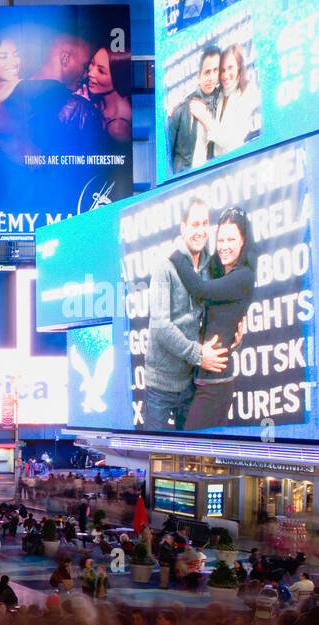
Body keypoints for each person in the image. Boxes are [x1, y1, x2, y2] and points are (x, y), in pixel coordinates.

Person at [146, 200, 238, 431]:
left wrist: (234, 335)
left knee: (190, 459)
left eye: (205, 223)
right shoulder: (164, 265)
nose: (200, 231)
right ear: (183, 228)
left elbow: (218, 314)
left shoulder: (211, 267)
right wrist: (198, 355)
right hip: (160, 385)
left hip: (192, 383)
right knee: (156, 456)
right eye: (195, 224)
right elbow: (160, 326)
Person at [169, 206, 255, 430]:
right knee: (196, 455)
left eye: (231, 240)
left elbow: (200, 290)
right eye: (221, 240)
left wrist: (176, 256)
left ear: (242, 241)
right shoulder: (221, 271)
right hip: (200, 377)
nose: (224, 246)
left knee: (194, 452)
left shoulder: (243, 276)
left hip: (216, 383)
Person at [187, 44, 260, 161]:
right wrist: (180, 107)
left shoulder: (248, 93)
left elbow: (231, 140)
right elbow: (198, 93)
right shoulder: (219, 93)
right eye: (222, 70)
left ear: (239, 68)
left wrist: (206, 118)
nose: (225, 75)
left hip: (237, 163)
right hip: (215, 165)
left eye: (230, 68)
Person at [169, 45, 222, 173]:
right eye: (207, 72)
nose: (211, 77)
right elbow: (168, 154)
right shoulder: (181, 109)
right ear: (199, 76)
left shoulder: (224, 103)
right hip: (185, 181)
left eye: (215, 71)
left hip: (213, 179)